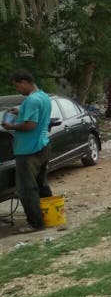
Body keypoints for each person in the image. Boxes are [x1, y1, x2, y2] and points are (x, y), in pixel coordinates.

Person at [1, 69, 53, 232]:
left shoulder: (31, 100)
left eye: (17, 86)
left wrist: (10, 126)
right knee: (41, 185)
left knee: (26, 189)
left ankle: (36, 223)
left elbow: (30, 125)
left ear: (24, 82)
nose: (18, 90)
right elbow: (37, 116)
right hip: (43, 146)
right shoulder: (43, 96)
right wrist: (20, 112)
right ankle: (50, 215)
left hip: (28, 151)